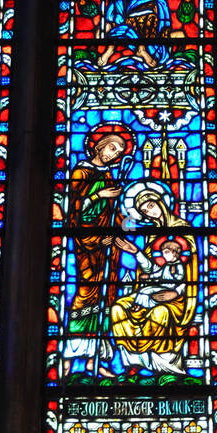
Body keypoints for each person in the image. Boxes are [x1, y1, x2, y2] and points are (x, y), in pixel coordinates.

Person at [63, 125, 133, 377]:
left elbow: (113, 213)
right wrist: (99, 194)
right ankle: (69, 360)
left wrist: (124, 224)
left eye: (119, 152)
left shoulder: (111, 176)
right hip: (88, 244)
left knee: (106, 298)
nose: (114, 155)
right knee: (85, 295)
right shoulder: (81, 172)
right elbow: (75, 208)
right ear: (99, 146)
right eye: (112, 148)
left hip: (107, 247)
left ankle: (95, 362)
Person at [110, 187, 197, 376]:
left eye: (151, 206)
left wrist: (176, 292)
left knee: (160, 313)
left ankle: (163, 364)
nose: (150, 212)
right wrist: (136, 252)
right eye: (145, 211)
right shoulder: (152, 233)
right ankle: (133, 360)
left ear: (161, 202)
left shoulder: (183, 228)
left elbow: (190, 271)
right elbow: (151, 268)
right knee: (118, 308)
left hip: (177, 296)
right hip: (151, 289)